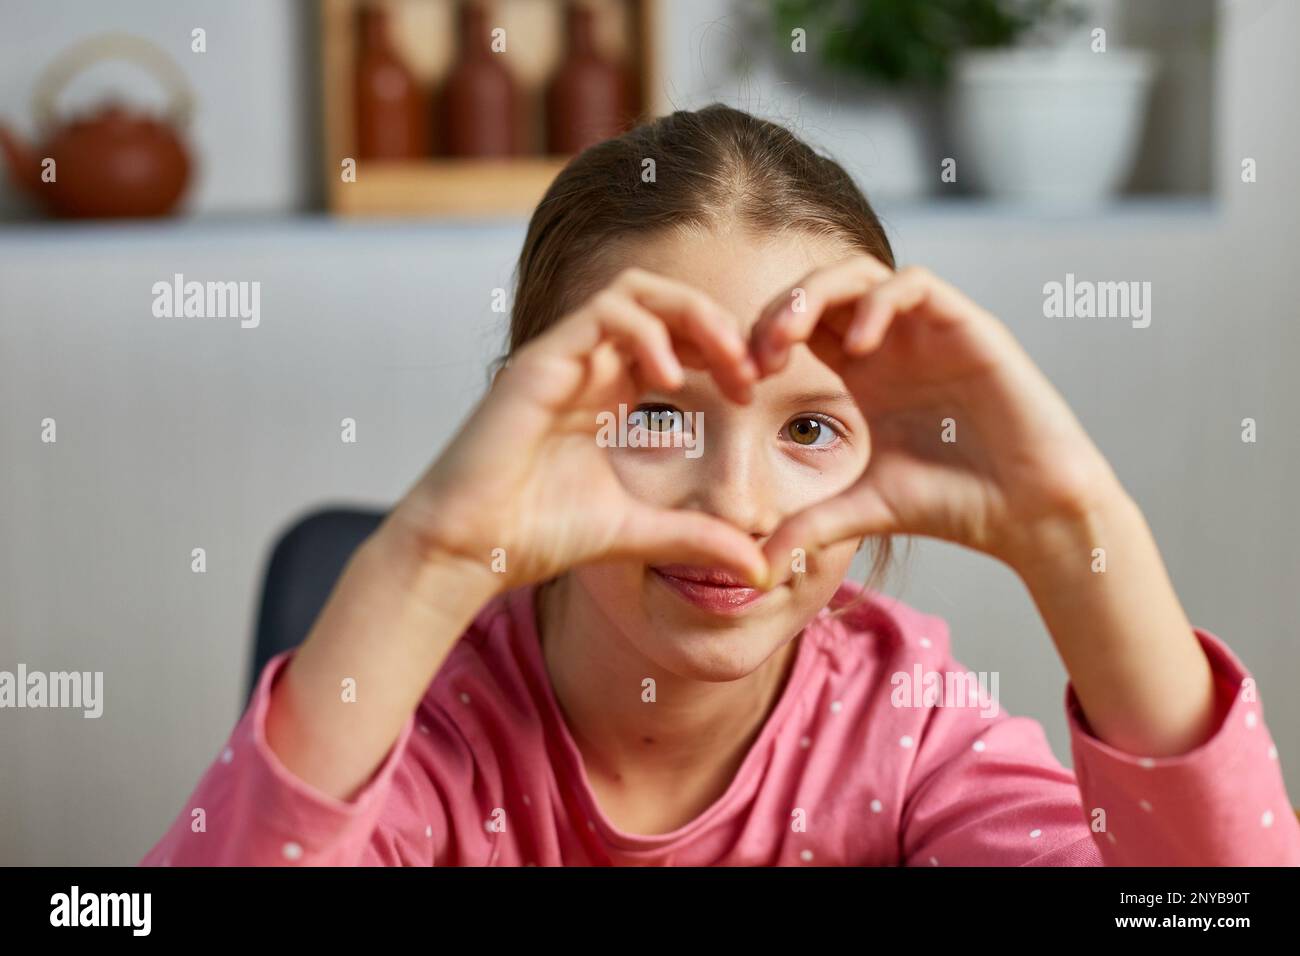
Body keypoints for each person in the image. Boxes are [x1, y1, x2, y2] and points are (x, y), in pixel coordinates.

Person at [140, 105, 1298, 866]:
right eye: (654, 413)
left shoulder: (907, 730)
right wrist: (430, 557)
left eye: (807, 424)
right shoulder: (436, 740)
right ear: (528, 427)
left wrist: (1072, 531)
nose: (737, 503)